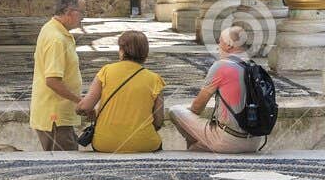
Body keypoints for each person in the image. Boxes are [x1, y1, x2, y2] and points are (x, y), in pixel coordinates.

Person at [168, 26, 264, 154]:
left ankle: (196, 145)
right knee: (200, 143)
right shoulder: (254, 66)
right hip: (255, 141)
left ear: (229, 45)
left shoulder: (221, 66)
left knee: (176, 111)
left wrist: (191, 125)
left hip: (228, 140)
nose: (218, 45)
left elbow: (197, 107)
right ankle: (199, 145)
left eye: (220, 41)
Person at [78, 29, 166, 153]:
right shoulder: (155, 79)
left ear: (122, 50)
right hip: (144, 142)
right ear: (145, 53)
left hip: (105, 143)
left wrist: (81, 109)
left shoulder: (106, 71)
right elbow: (158, 121)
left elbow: (85, 107)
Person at [31, 0, 86, 151]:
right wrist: (80, 101)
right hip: (55, 117)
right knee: (66, 168)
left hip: (60, 115)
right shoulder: (56, 39)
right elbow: (52, 80)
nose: (83, 17)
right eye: (81, 13)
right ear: (69, 12)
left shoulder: (56, 31)